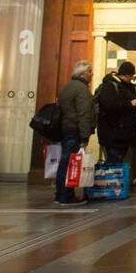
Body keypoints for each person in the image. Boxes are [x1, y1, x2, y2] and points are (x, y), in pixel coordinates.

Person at [55, 61, 97, 206]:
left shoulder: (67, 87)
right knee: (71, 164)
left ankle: (59, 195)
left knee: (64, 163)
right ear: (82, 73)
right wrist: (84, 137)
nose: (92, 74)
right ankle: (67, 197)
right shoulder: (82, 90)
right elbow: (84, 115)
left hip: (66, 129)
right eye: (90, 71)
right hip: (75, 131)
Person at [95, 60, 136, 167]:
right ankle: (110, 183)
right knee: (114, 161)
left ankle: (114, 183)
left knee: (117, 161)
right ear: (126, 75)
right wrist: (130, 104)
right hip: (113, 133)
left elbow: (131, 106)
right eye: (131, 76)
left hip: (124, 134)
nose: (132, 78)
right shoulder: (110, 85)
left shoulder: (129, 86)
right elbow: (109, 106)